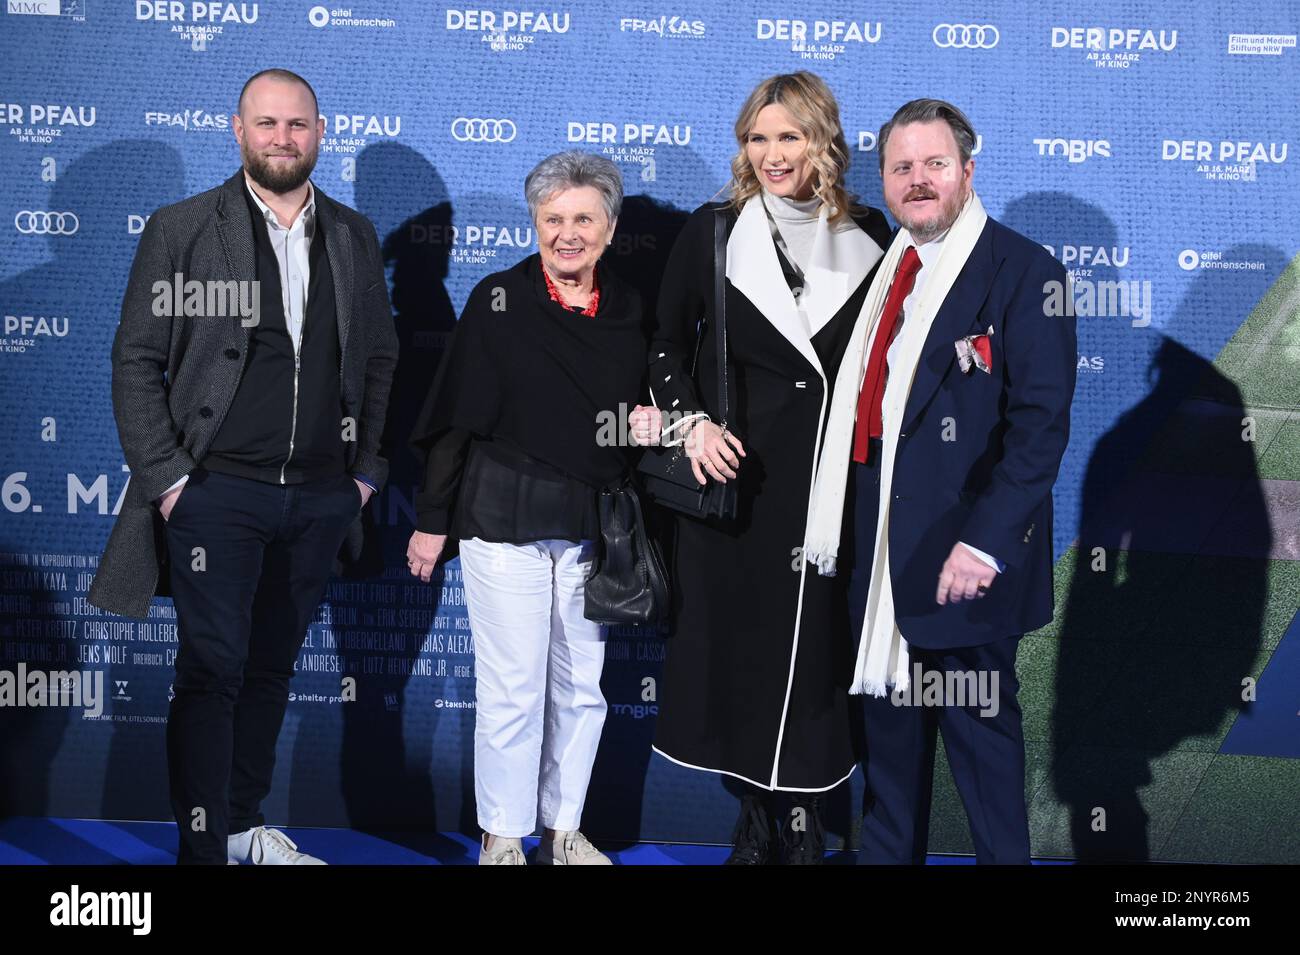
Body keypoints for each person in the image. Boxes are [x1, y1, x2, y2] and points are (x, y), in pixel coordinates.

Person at [87, 69, 398, 864]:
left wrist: (364, 474)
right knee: (211, 674)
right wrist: (169, 479)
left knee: (267, 673)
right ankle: (203, 850)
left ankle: (243, 827)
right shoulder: (185, 228)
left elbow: (380, 359)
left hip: (319, 499)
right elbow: (136, 360)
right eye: (267, 123)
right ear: (237, 130)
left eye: (297, 124)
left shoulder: (354, 235)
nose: (282, 138)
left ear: (321, 133)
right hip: (214, 493)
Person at [800, 98, 1077, 864]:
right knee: (887, 759)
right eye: (901, 168)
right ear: (884, 180)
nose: (917, 181)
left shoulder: (1025, 273)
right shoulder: (886, 271)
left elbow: (1040, 426)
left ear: (967, 171)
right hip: (878, 560)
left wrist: (985, 544)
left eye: (933, 165)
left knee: (984, 755)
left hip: (965, 561)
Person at [636, 72, 891, 864]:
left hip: (829, 492)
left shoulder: (874, 232)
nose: (773, 153)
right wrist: (691, 420)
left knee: (816, 659)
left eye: (789, 136)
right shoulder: (714, 229)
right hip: (732, 493)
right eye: (758, 137)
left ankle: (803, 822)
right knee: (739, 660)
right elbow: (664, 343)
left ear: (823, 139)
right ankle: (755, 822)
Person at [407, 151, 647, 866]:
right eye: (552, 219)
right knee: (514, 686)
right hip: (501, 519)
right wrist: (430, 520)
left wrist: (649, 422)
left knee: (583, 686)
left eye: (582, 218)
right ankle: (505, 835)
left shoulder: (632, 309)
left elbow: (648, 408)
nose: (567, 234)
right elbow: (455, 421)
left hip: (591, 522)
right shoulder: (499, 300)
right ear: (534, 223)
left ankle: (564, 828)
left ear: (609, 227)